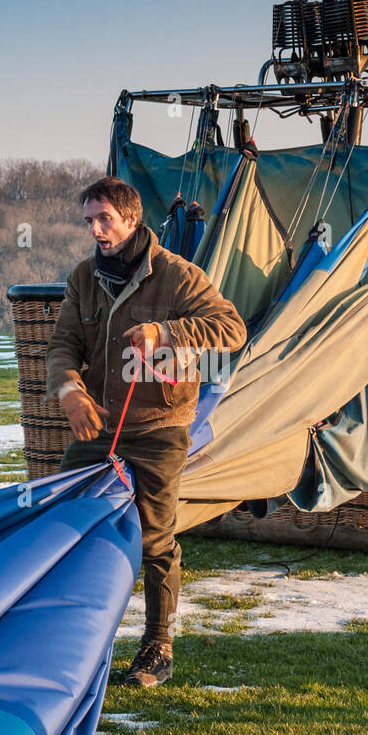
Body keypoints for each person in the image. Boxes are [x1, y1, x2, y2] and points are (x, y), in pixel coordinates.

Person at [46, 177, 246, 687]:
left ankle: (157, 648)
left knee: (156, 538)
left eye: (104, 219)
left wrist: (168, 331)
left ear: (132, 219)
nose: (95, 229)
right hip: (99, 425)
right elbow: (64, 345)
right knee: (61, 520)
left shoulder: (178, 276)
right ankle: (65, 634)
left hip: (161, 425)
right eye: (89, 220)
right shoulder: (83, 278)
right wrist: (70, 393)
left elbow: (231, 328)